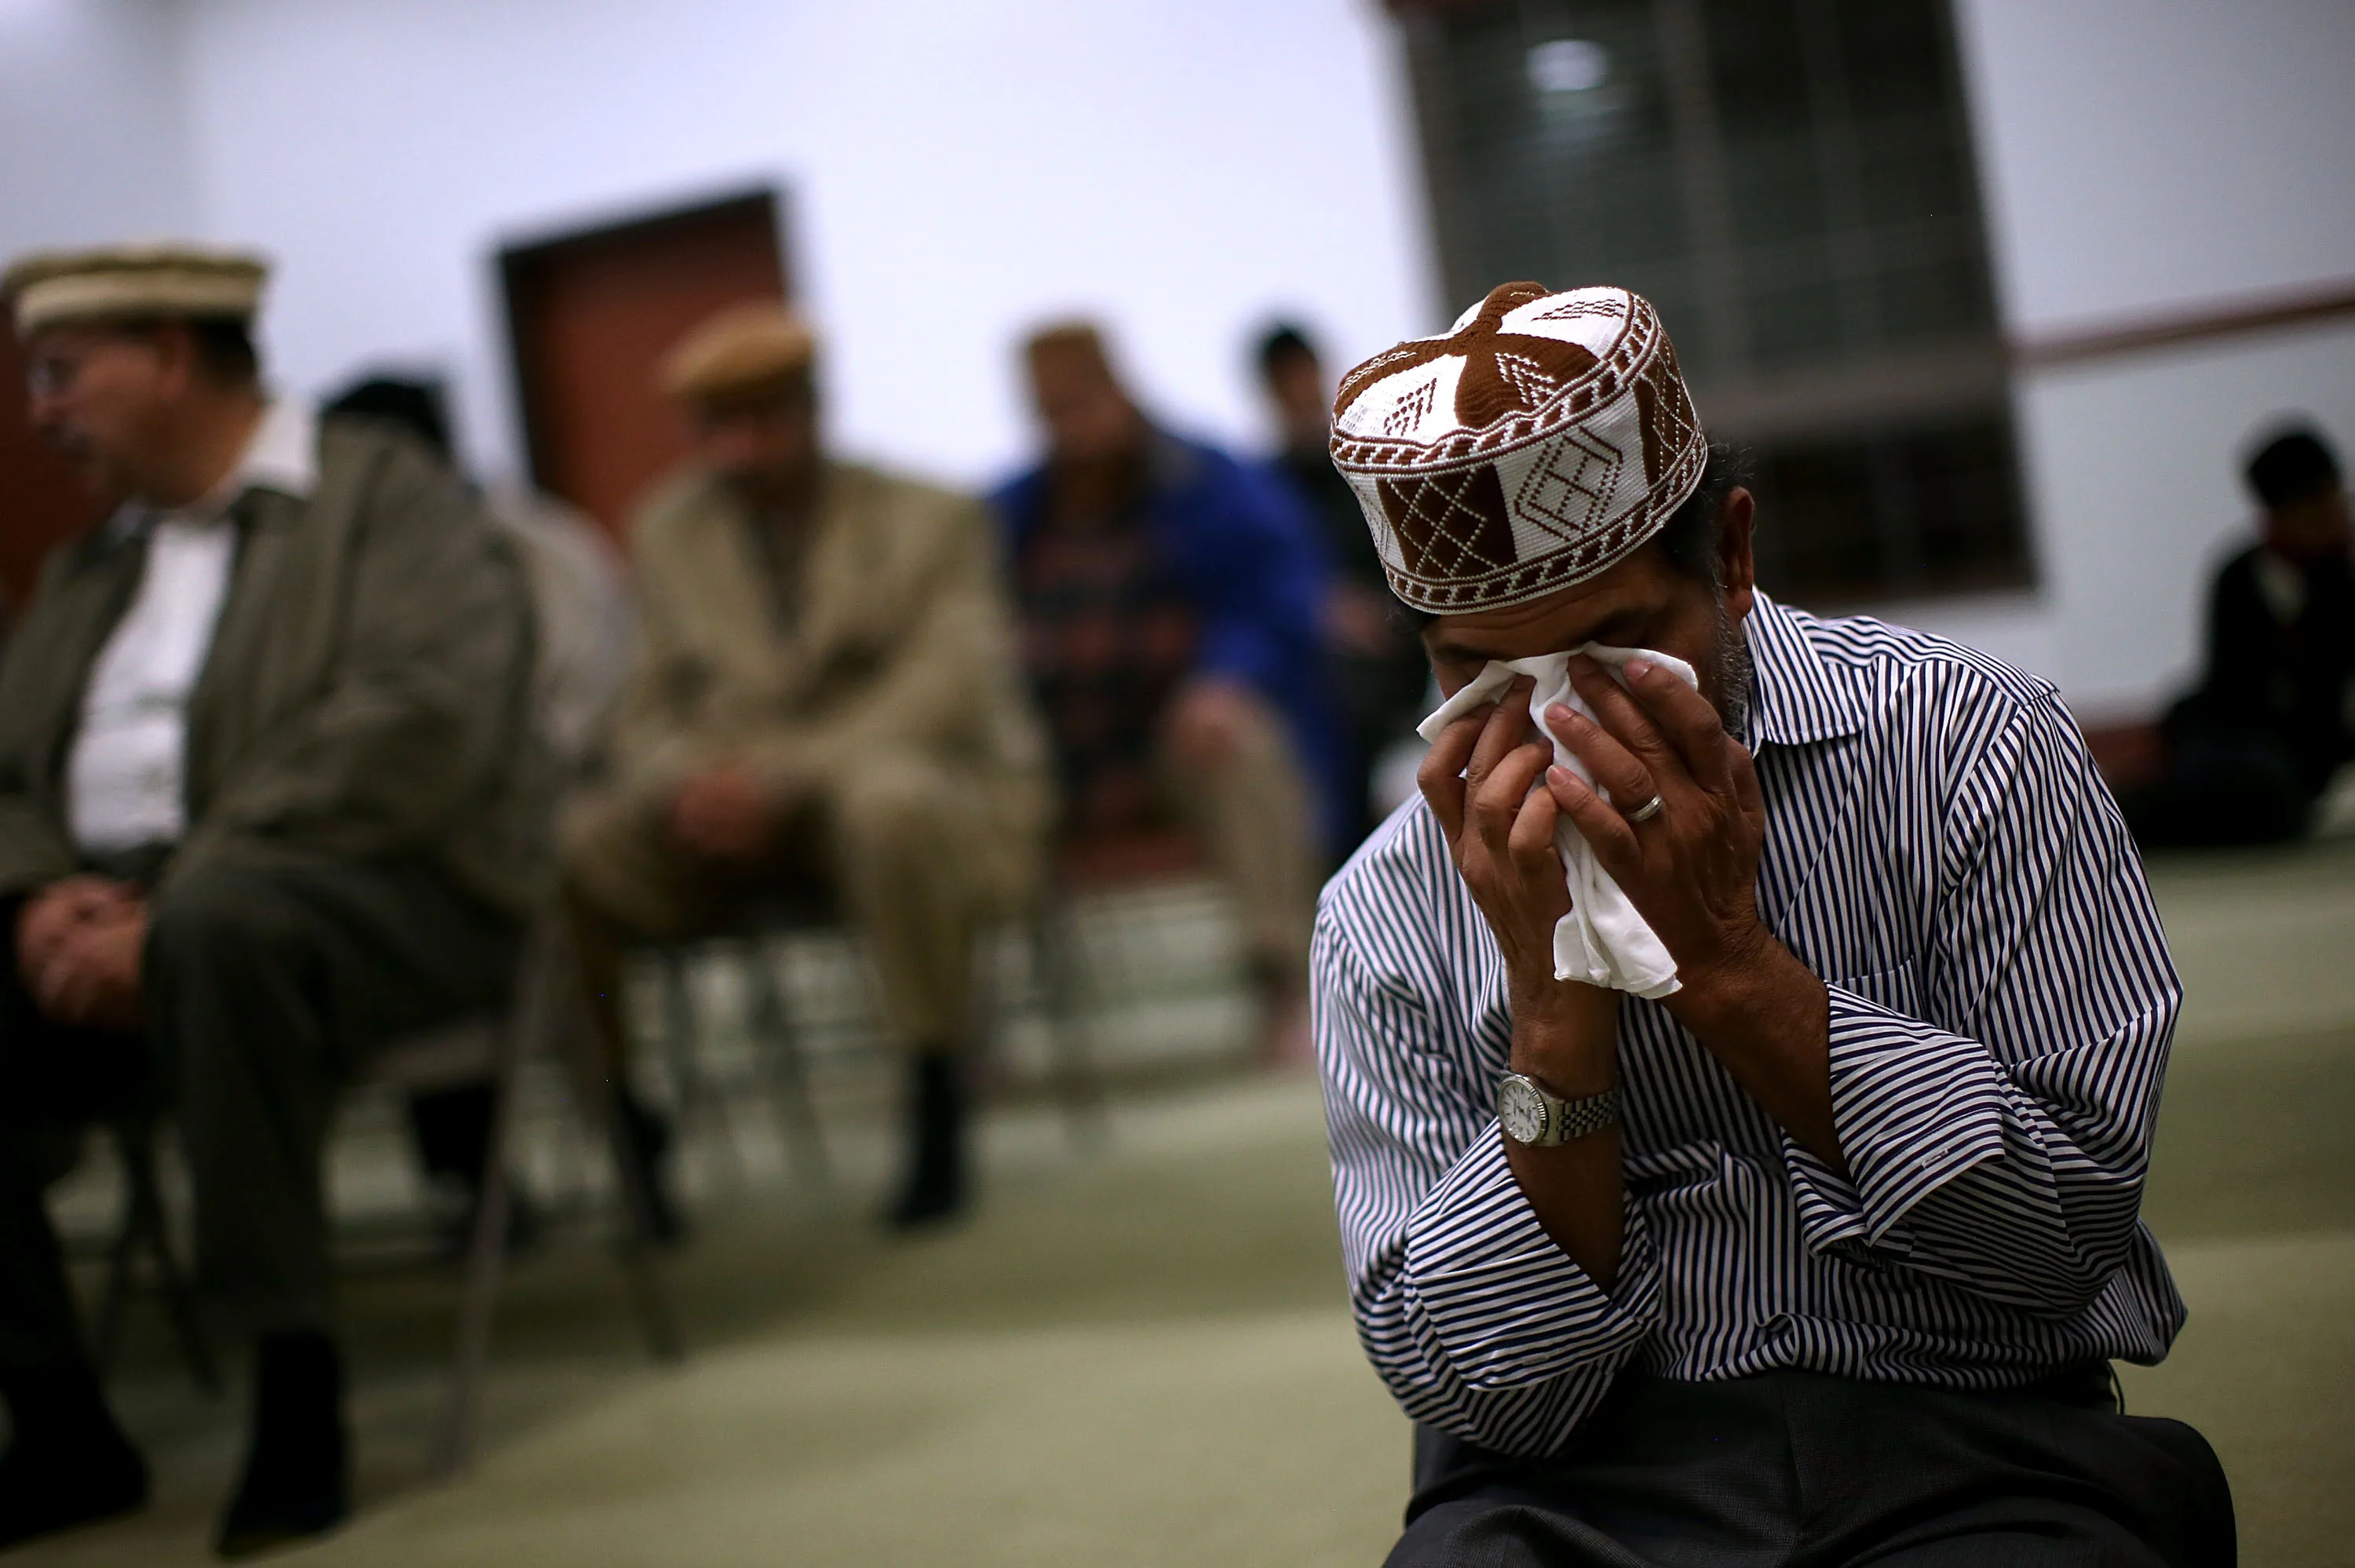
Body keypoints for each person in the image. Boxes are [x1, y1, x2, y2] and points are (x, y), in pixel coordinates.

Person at [1315, 283, 2233, 1566]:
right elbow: (1476, 1391)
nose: (1557, 722)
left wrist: (1731, 969)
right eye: (1480, 672)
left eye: (1616, 646)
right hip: (1581, 1483)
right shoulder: (1383, 909)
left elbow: (2063, 1235)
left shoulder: (1967, 744)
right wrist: (1551, 1018)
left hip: (1975, 1438)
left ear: (1732, 559)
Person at [0, 244, 550, 1555]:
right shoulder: (90, 572)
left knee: (222, 927)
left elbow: (417, 726)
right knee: (174, 931)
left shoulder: (389, 499)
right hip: (145, 909)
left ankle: (294, 1392)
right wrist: (33, 898)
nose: (41, 413)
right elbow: (7, 768)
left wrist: (173, 888)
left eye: (64, 374)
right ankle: (61, 1416)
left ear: (175, 357)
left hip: (388, 899)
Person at [560, 302, 1049, 1230]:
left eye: (760, 423)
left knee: (889, 807)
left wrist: (783, 781)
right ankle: (625, 1124)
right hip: (721, 805)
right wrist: (688, 784)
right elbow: (640, 705)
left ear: (811, 414)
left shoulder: (927, 515)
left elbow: (940, 693)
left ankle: (935, 1089)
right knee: (572, 849)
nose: (738, 453)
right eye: (716, 430)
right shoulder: (668, 531)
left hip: (893, 792)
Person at [323, 373, 639, 1247]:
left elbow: (587, 701)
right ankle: (467, 1174)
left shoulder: (540, 547)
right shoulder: (345, 566)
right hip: (408, 826)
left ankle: (626, 1125)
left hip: (540, 805)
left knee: (538, 865)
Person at [995, 322, 1342, 1059]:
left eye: (1080, 402)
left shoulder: (1209, 480)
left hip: (1175, 736)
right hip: (1051, 749)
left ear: (1119, 387)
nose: (1070, 426)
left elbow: (1281, 596)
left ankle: (1284, 985)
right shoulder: (1012, 512)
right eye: (1049, 412)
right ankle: (962, 1034)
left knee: (1241, 746)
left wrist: (1224, 678)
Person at [2123, 422, 2354, 846]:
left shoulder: (2340, 579)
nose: (2336, 516)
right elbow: (2229, 685)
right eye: (2315, 508)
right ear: (2278, 516)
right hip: (2237, 734)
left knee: (2267, 790)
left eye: (2334, 500)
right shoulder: (2240, 574)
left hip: (2297, 750)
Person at [1258, 322, 1429, 847]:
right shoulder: (1264, 485)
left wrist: (1388, 613)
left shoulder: (1373, 465)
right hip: (1323, 668)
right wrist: (1321, 608)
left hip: (1400, 649)